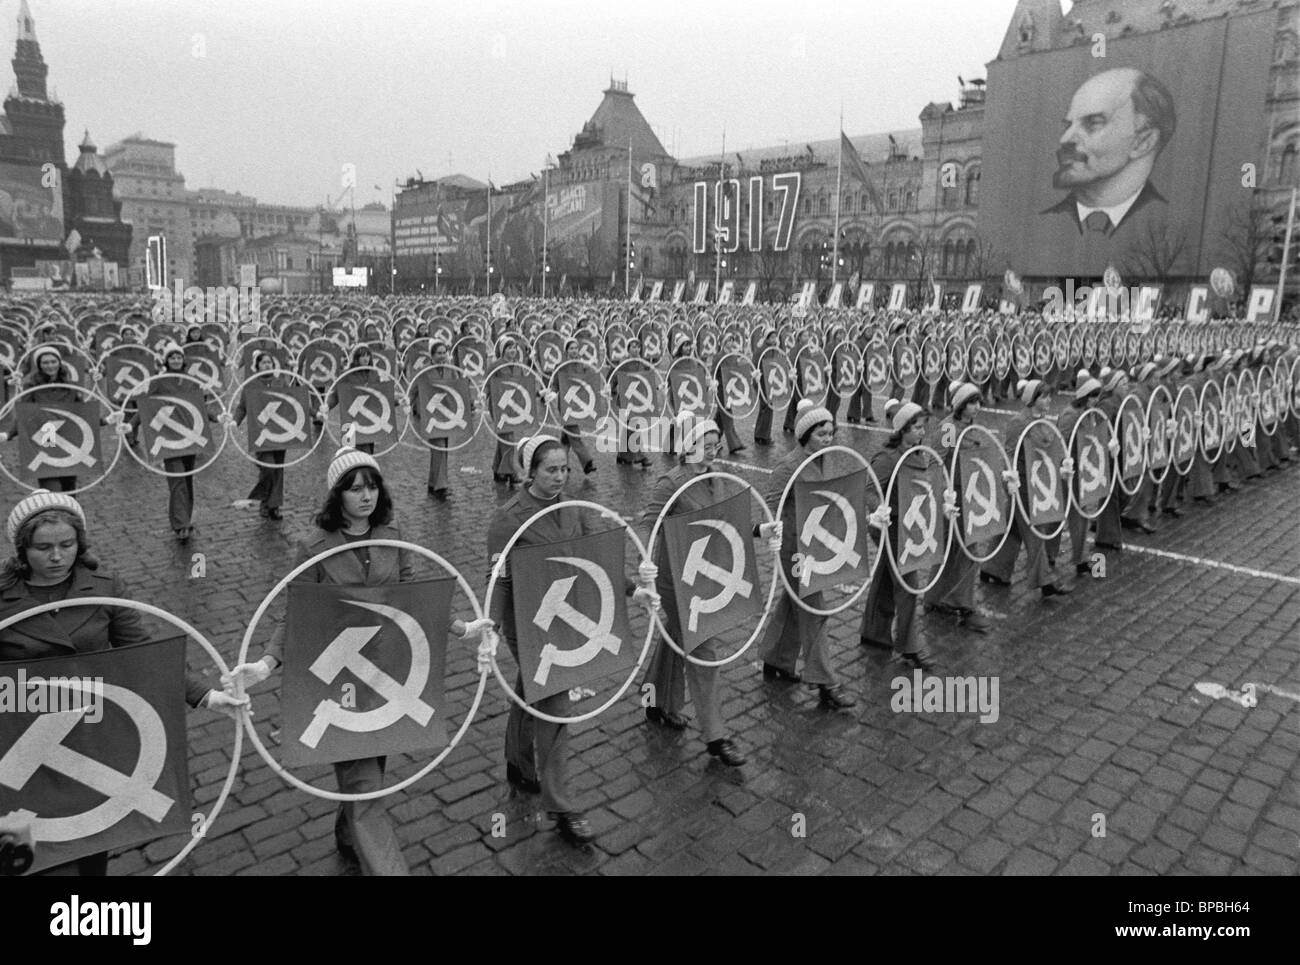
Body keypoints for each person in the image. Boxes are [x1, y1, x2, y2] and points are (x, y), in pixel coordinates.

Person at [226, 444, 485, 875]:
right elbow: (297, 613)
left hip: (387, 668)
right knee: (364, 782)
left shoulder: (393, 535)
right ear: (337, 496)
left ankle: (347, 831)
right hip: (338, 676)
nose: (365, 496)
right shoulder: (314, 547)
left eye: (371, 487)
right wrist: (267, 663)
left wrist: (460, 629)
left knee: (373, 760)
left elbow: (411, 598)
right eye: (354, 489)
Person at [0, 490, 244, 876]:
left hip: (95, 740)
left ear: (80, 543)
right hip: (23, 747)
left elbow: (144, 656)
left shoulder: (105, 586)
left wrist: (207, 697)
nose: (56, 556)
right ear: (22, 549)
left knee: (91, 841)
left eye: (66, 544)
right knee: (37, 857)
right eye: (43, 547)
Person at [486, 434, 656, 844]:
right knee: (555, 702)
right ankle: (561, 804)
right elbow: (500, 581)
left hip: (564, 619)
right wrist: (490, 629)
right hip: (527, 622)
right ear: (530, 471)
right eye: (551, 470)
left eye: (565, 468)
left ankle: (517, 760)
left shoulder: (574, 508)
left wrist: (634, 590)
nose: (561, 477)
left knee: (536, 690)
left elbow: (593, 559)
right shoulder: (509, 518)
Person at [639, 414, 751, 766]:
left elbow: (729, 521)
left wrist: (762, 531)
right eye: (706, 445)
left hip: (705, 575)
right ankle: (716, 736)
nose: (713, 451)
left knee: (675, 637)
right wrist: (645, 567)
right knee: (705, 652)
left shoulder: (716, 478)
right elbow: (648, 523)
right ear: (688, 445)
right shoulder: (671, 482)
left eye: (716, 445)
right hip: (676, 579)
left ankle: (654, 699)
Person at [757, 399, 856, 709]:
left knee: (794, 603)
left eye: (831, 433)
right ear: (805, 435)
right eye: (821, 434)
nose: (828, 439)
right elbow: (769, 505)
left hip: (818, 547)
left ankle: (776, 658)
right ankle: (826, 683)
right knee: (815, 611)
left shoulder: (827, 459)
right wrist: (768, 531)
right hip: (795, 551)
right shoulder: (788, 466)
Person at [1040, 67, 1174, 239]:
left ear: (1143, 142)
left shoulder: (1168, 226)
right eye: (1069, 125)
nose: (1065, 139)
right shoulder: (1039, 225)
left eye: (1093, 123)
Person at [861, 399, 941, 669]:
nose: (922, 432)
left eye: (923, 427)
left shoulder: (919, 452)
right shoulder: (886, 458)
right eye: (917, 427)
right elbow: (869, 489)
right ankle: (910, 646)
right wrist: (879, 509)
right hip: (893, 528)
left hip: (911, 525)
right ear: (902, 430)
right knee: (909, 586)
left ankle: (873, 631)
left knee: (886, 577)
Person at [980, 379, 1072, 597]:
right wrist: (1009, 478)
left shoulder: (1042, 421)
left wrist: (1063, 465)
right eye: (1043, 396)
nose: (1048, 400)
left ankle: (993, 568)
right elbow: (1009, 452)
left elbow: (1051, 448)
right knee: (1034, 532)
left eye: (1049, 396)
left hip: (1038, 482)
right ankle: (1044, 580)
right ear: (1032, 399)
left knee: (1012, 530)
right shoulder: (1018, 422)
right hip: (1023, 486)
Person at [922, 382, 993, 633]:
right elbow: (935, 461)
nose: (977, 407)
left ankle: (933, 598)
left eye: (979, 402)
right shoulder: (950, 428)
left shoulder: (969, 426)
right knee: (968, 550)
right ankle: (964, 606)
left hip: (969, 496)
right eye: (972, 402)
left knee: (953, 550)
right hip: (955, 499)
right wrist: (943, 496)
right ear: (961, 404)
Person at [134, 341, 220, 542]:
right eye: (172, 357)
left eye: (178, 357)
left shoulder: (191, 380)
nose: (175, 360)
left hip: (188, 436)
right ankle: (182, 524)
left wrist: (217, 417)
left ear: (183, 359)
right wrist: (131, 425)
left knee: (187, 479)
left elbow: (199, 406)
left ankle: (183, 518)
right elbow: (145, 406)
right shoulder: (159, 381)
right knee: (177, 479)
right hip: (167, 438)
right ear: (166, 360)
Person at [0, 346, 91, 492]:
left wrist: (108, 420)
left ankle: (71, 515)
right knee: (51, 492)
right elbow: (25, 414)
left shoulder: (71, 387)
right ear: (39, 365)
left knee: (69, 490)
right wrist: (8, 434)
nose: (50, 366)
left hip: (68, 445)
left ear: (59, 363)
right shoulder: (31, 387)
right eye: (45, 362)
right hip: (44, 443)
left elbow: (84, 415)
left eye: (53, 361)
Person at [232, 351, 288, 520]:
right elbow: (242, 407)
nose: (267, 365)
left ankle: (274, 506)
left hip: (280, 433)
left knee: (278, 469)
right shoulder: (251, 385)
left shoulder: (281, 382)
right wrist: (236, 421)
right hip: (261, 434)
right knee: (268, 468)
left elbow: (296, 402)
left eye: (269, 362)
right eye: (263, 362)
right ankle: (264, 500)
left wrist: (316, 414)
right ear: (257, 366)